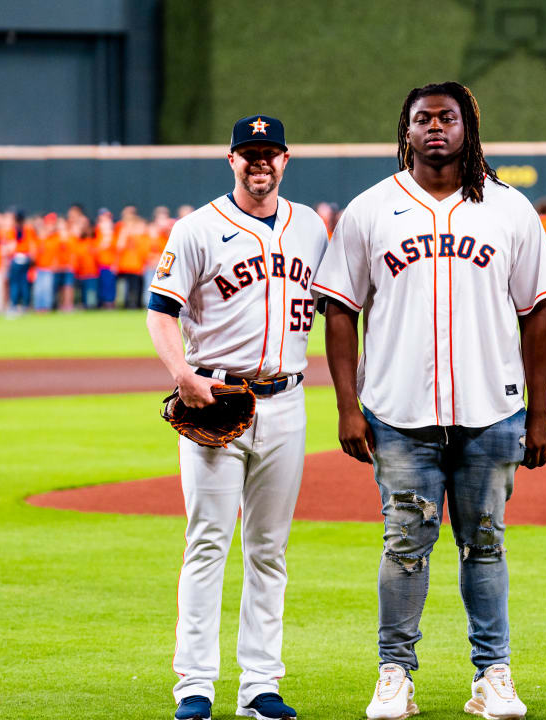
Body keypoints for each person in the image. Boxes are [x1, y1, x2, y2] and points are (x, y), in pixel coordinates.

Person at [312, 82, 546, 720]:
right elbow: (339, 311)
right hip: (398, 413)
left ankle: (493, 676)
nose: (434, 128)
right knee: (404, 546)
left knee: (486, 545)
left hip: (492, 409)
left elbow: (537, 315)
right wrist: (348, 404)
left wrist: (538, 411)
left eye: (446, 118)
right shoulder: (370, 209)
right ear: (406, 130)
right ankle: (395, 675)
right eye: (422, 119)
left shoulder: (510, 209)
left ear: (467, 128)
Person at [146, 114, 329, 720]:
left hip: (288, 401)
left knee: (269, 549)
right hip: (216, 399)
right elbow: (161, 312)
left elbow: (339, 309)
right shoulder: (197, 228)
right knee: (207, 544)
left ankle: (260, 686)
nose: (260, 163)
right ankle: (195, 686)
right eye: (248, 153)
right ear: (231, 161)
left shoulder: (310, 227)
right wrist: (183, 376)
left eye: (269, 152)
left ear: (285, 159)